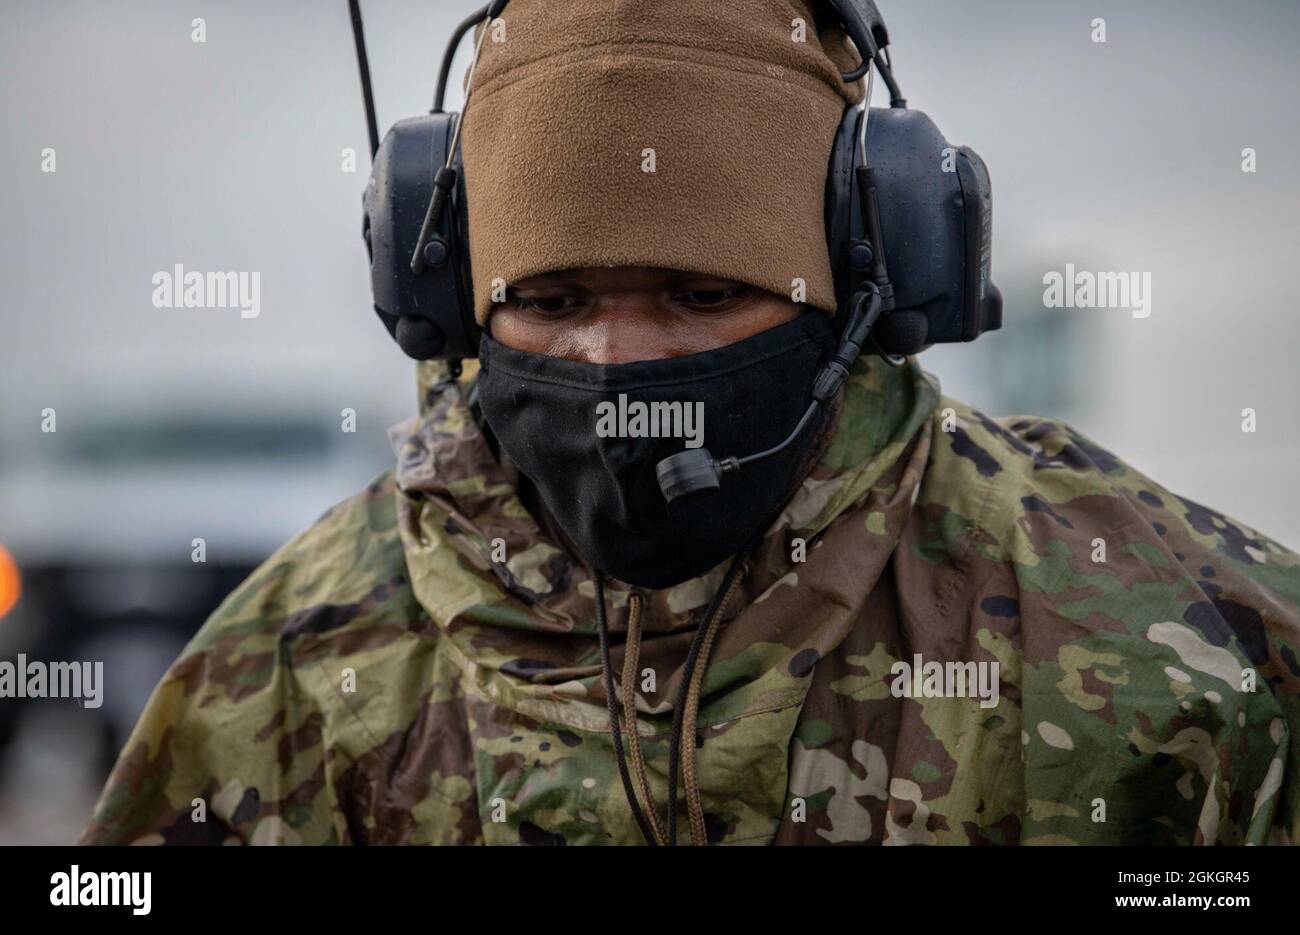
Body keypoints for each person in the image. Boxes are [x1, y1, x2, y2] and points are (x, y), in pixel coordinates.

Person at [83, 0, 1300, 846]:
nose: (617, 358)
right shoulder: (287, 671)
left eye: (702, 293)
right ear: (443, 298)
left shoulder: (1179, 653)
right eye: (552, 301)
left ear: (872, 269)